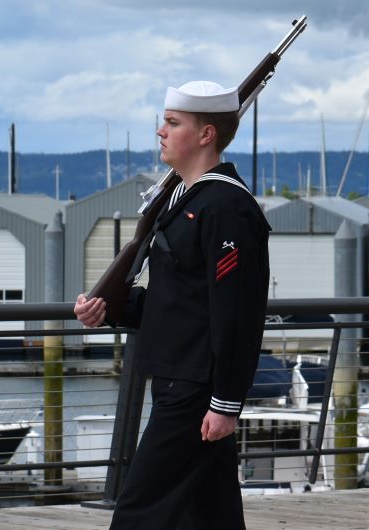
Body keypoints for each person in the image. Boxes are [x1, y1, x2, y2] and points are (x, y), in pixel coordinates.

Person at [73, 81, 271, 529]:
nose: (161, 131)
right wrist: (111, 308)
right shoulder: (187, 200)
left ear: (206, 135)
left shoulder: (225, 207)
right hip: (177, 377)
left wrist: (225, 401)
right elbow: (177, 301)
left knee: (139, 512)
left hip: (196, 387)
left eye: (173, 122)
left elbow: (236, 314)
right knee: (211, 515)